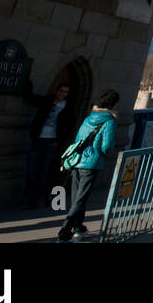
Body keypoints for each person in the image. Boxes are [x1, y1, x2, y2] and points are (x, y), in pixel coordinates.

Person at [57, 89, 119, 243]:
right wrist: (105, 154)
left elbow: (79, 138)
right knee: (81, 199)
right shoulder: (109, 121)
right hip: (91, 163)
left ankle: (78, 227)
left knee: (77, 197)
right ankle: (64, 232)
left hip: (77, 161)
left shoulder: (89, 118)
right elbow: (107, 147)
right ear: (114, 104)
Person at [22, 79, 77, 208]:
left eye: (66, 92)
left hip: (52, 142)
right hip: (39, 139)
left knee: (44, 170)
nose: (63, 94)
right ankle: (32, 200)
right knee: (32, 170)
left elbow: (70, 126)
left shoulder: (68, 107)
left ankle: (47, 196)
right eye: (61, 91)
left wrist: (58, 141)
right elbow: (32, 98)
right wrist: (27, 83)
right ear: (57, 91)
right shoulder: (47, 101)